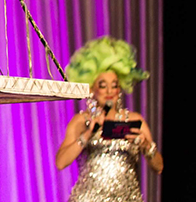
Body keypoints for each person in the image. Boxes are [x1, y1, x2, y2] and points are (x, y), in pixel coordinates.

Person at [55, 36, 162, 201]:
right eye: (103, 85)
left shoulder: (134, 120)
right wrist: (87, 134)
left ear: (120, 88)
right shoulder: (81, 121)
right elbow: (61, 163)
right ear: (92, 88)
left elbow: (159, 167)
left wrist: (146, 145)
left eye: (115, 85)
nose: (109, 91)